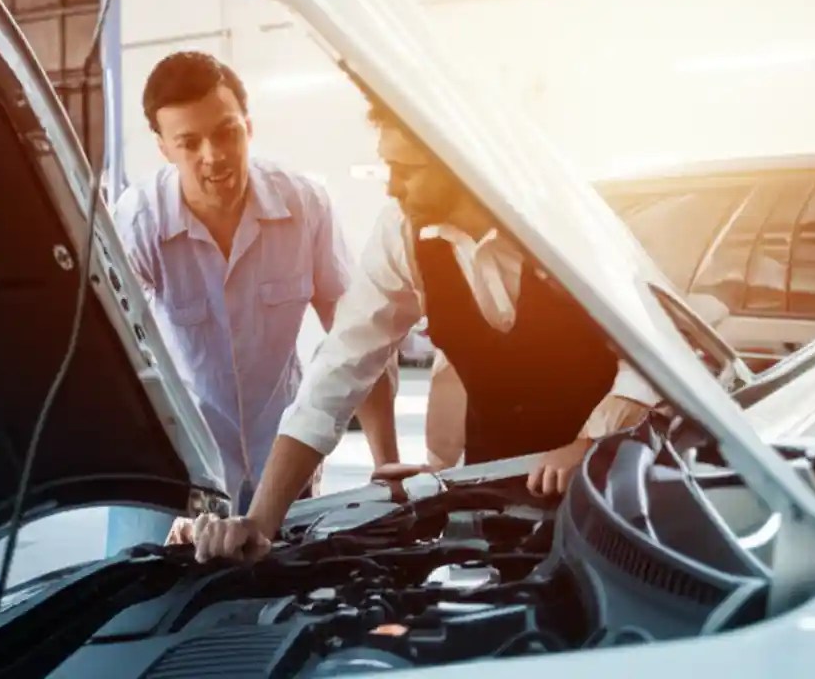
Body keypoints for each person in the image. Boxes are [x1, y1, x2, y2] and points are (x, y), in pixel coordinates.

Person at [188, 96, 658, 563]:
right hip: (497, 493)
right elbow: (338, 372)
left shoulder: (564, 228)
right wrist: (261, 522)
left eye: (407, 170)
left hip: (617, 488)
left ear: (463, 163)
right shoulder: (402, 234)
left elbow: (659, 350)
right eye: (387, 167)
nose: (392, 187)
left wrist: (589, 443)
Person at [106, 52, 397, 554]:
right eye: (189, 143)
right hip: (175, 476)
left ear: (249, 127)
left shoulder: (304, 206)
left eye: (226, 133)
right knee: (138, 613)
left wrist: (385, 465)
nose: (213, 155)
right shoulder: (137, 223)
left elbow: (359, 342)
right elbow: (117, 373)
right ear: (162, 148)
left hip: (280, 467)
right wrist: (174, 492)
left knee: (286, 607)